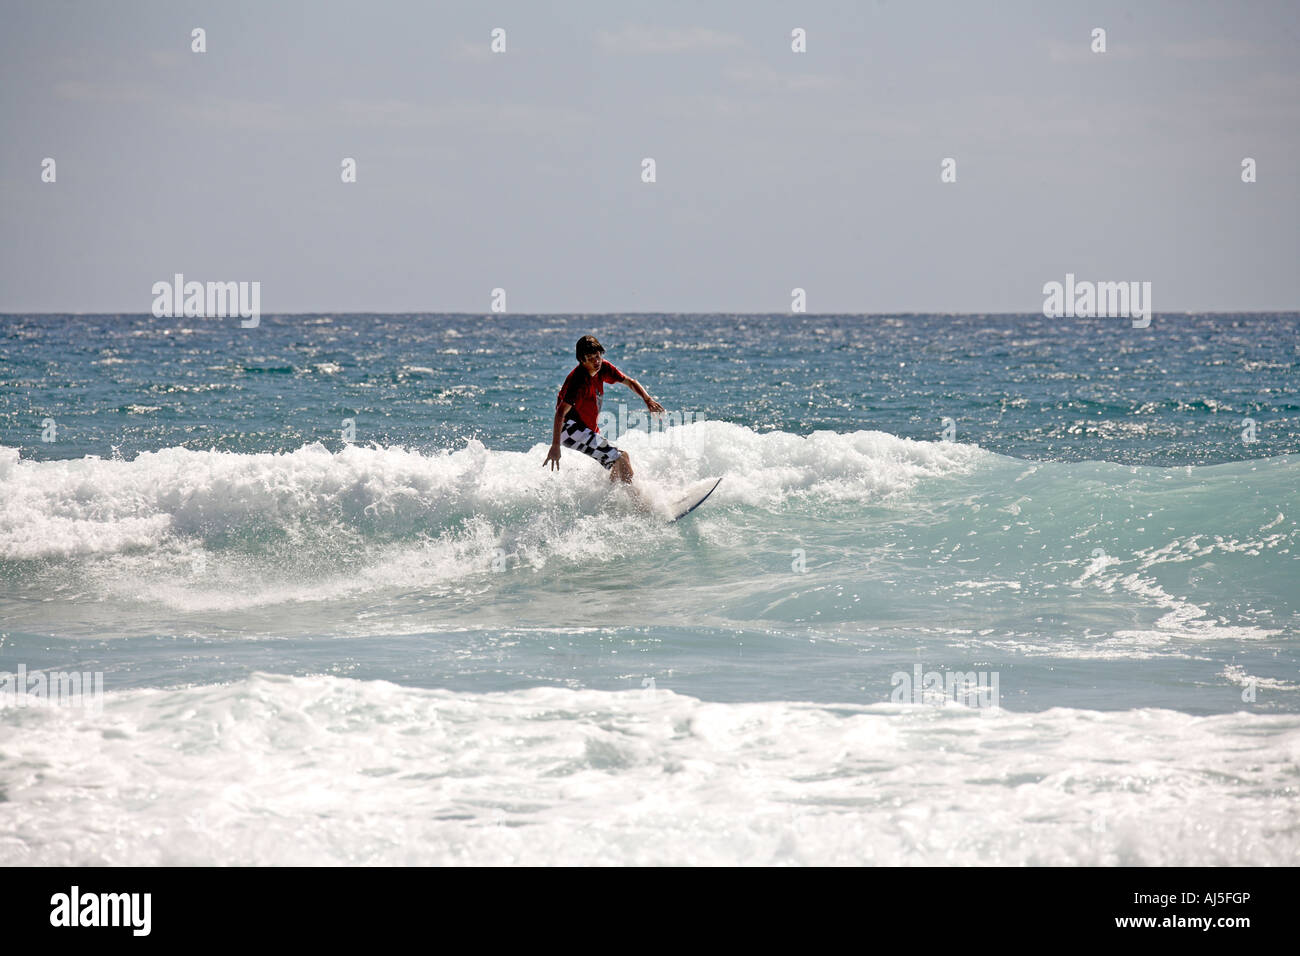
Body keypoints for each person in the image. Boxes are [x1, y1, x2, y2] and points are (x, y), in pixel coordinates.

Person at [544, 335, 663, 483]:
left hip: (586, 430)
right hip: (570, 430)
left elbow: (630, 382)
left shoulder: (604, 368)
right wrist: (555, 446)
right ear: (582, 360)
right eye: (591, 358)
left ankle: (611, 499)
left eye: (598, 356)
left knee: (620, 460)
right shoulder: (578, 380)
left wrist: (648, 399)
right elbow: (560, 412)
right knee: (620, 458)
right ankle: (641, 505)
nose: (596, 361)